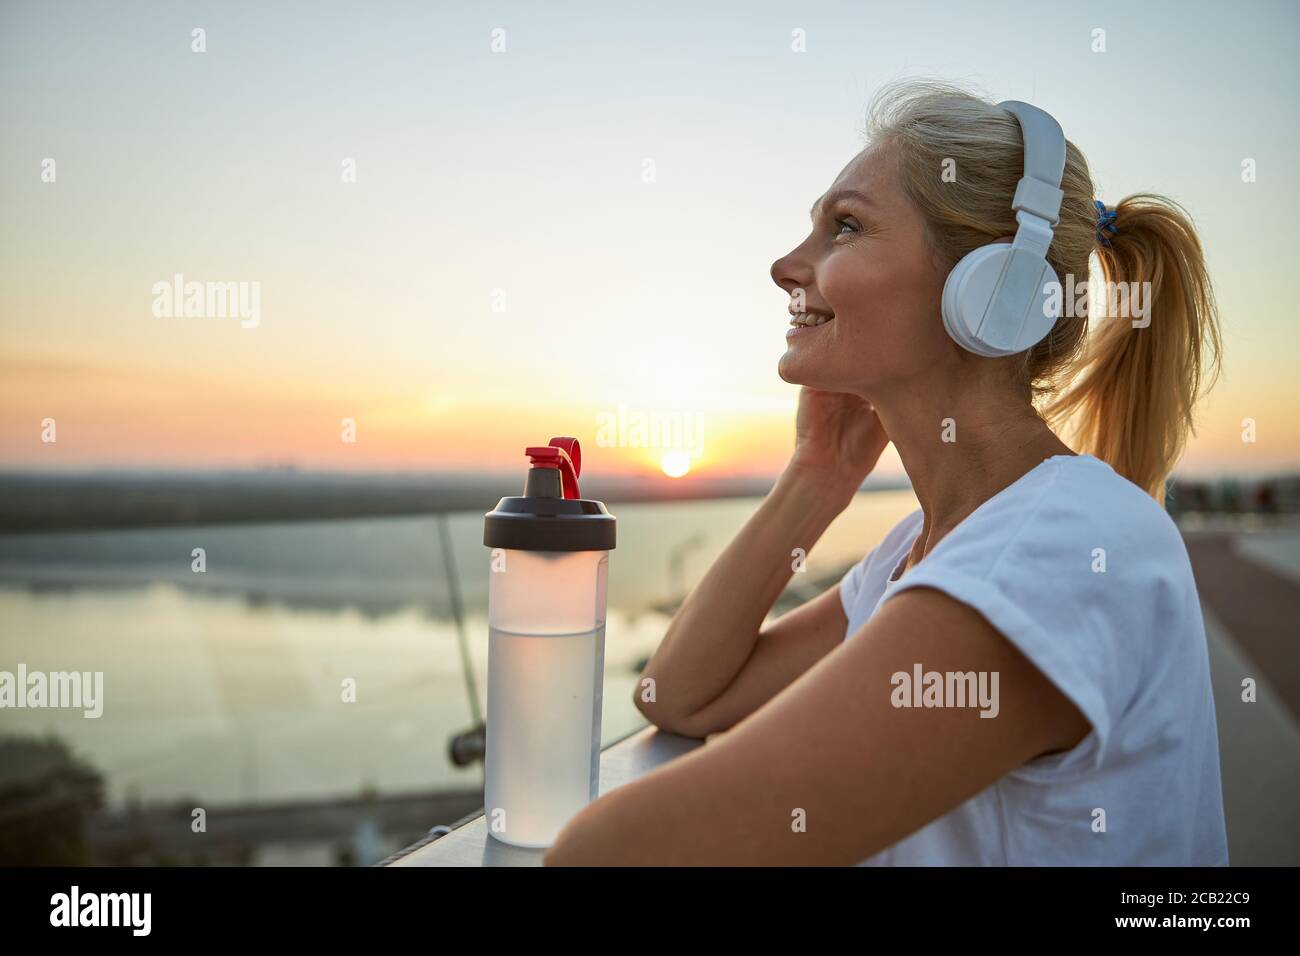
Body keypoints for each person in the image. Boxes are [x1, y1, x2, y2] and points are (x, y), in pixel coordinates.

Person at [544, 81, 1226, 866]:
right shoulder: (928, 548)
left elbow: (612, 853)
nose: (785, 265)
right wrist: (816, 476)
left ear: (994, 288)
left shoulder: (1057, 550)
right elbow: (678, 695)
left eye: (845, 227)